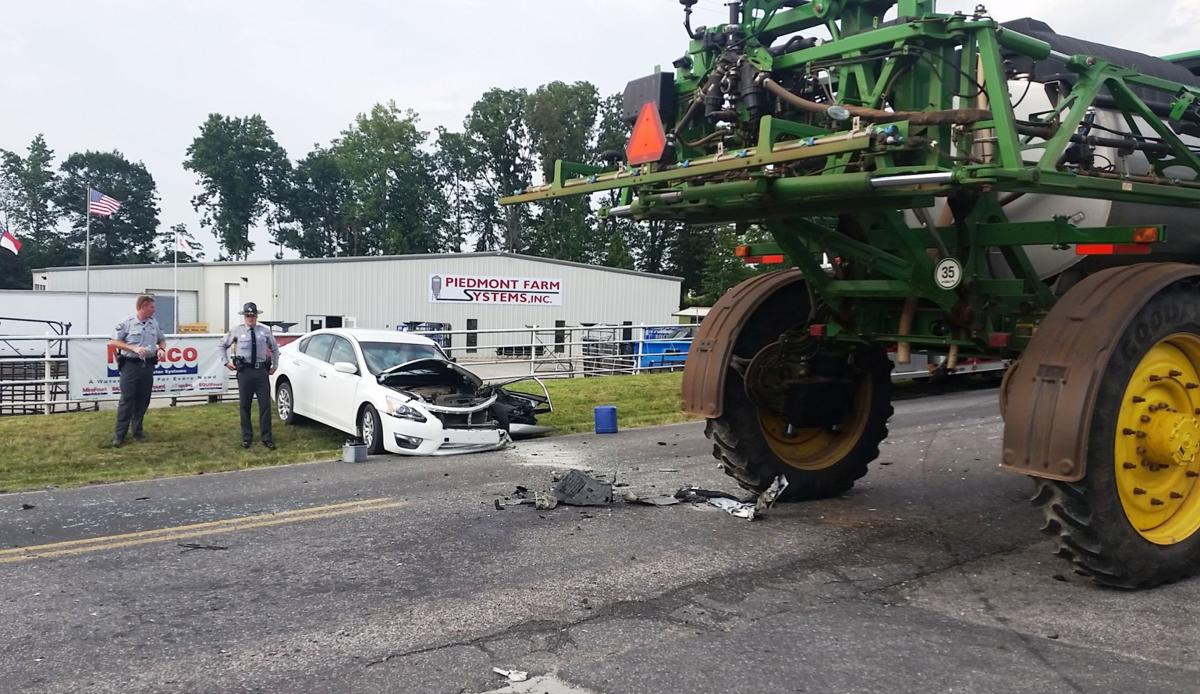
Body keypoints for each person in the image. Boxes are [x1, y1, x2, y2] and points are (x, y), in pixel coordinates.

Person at [109, 295, 167, 447]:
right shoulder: (127, 323)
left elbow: (161, 339)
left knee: (143, 399)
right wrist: (133, 348)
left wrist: (161, 349)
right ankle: (119, 435)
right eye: (151, 307)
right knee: (127, 400)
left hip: (147, 365)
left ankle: (137, 432)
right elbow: (113, 341)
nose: (154, 310)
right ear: (143, 307)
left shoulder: (153, 323)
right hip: (130, 365)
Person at [220, 302, 280, 449]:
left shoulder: (264, 331)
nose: (251, 318)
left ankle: (267, 437)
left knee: (265, 406)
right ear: (244, 316)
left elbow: (275, 349)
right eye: (248, 315)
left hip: (261, 372)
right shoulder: (236, 331)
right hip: (245, 372)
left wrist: (275, 365)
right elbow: (222, 345)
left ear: (257, 316)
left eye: (253, 315)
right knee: (245, 406)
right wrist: (226, 362)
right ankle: (247, 437)